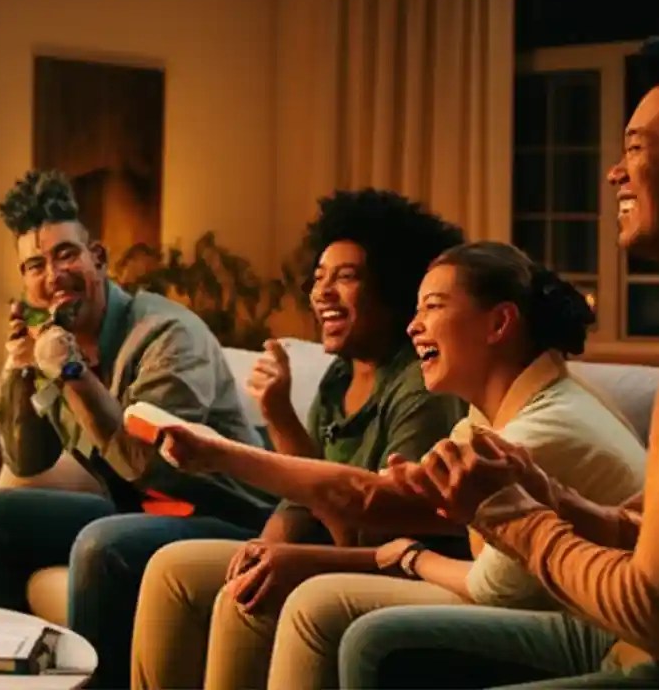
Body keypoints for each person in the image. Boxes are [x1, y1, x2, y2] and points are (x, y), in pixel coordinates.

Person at [343, 36, 659, 689]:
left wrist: (509, 514)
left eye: (637, 149)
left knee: (378, 654)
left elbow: (654, 610)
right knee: (379, 642)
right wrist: (542, 493)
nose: (615, 171)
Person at [150, 241, 648, 689]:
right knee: (190, 570)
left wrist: (218, 453)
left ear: (499, 323)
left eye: (433, 307)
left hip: (592, 623)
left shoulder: (538, 429)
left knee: (304, 602)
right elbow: (381, 498)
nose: (415, 326)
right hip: (522, 595)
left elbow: (380, 511)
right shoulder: (493, 410)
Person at [130, 189, 469, 690]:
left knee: (249, 593)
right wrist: (265, 541)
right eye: (319, 278)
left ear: (395, 287)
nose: (323, 293)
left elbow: (368, 534)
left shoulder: (420, 385)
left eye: (346, 277)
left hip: (396, 563)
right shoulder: (337, 377)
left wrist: (278, 421)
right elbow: (304, 494)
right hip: (338, 544)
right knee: (171, 569)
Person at [0, 169, 274, 688]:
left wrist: (72, 374)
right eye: (35, 265)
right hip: (139, 511)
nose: (52, 274)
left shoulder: (167, 334)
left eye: (65, 255)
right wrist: (19, 368)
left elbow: (149, 466)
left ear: (97, 258)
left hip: (226, 516)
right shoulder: (56, 342)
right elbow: (26, 460)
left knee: (102, 544)